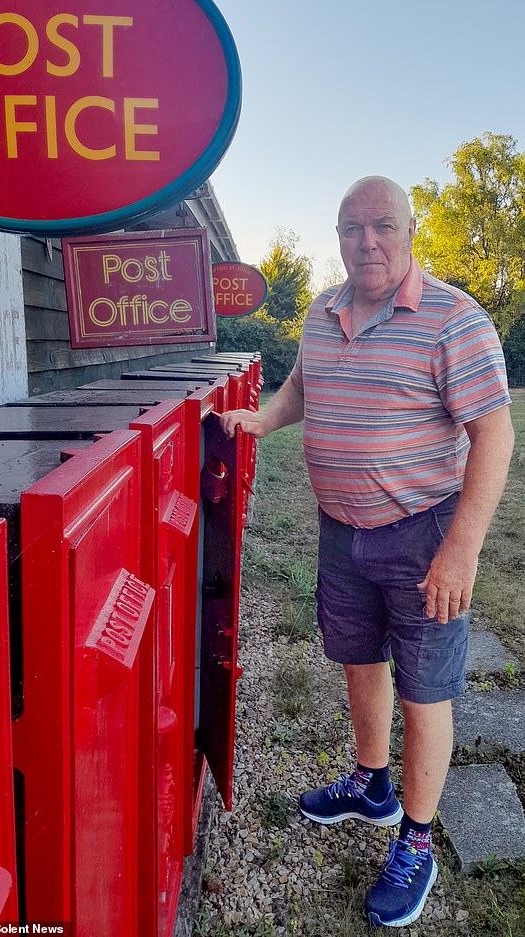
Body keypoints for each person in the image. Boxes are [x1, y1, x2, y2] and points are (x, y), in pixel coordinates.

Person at [220, 176, 515, 929]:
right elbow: (300, 394)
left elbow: (495, 435)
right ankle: (371, 784)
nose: (367, 241)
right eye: (352, 228)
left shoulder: (454, 316)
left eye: (383, 225)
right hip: (341, 531)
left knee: (425, 687)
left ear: (410, 230)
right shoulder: (322, 311)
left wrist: (462, 550)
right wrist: (260, 419)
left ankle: (416, 839)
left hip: (424, 532)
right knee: (358, 660)